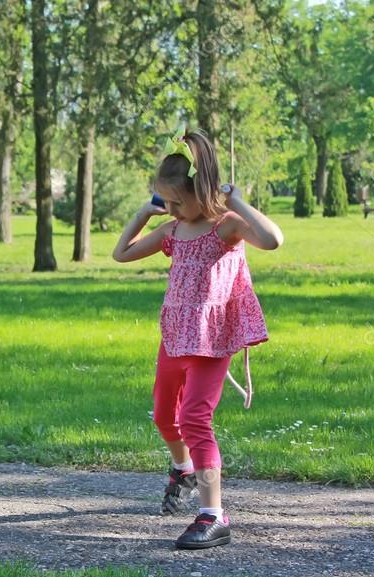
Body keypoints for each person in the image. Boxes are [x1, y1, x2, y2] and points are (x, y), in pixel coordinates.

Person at [112, 128, 284, 549]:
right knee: (162, 416)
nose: (169, 208)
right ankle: (183, 468)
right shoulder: (173, 231)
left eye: (175, 201)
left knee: (194, 419)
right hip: (174, 338)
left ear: (201, 190)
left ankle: (213, 513)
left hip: (212, 340)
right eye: (164, 201)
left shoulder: (226, 227)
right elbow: (122, 253)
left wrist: (235, 199)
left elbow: (273, 239)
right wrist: (144, 214)